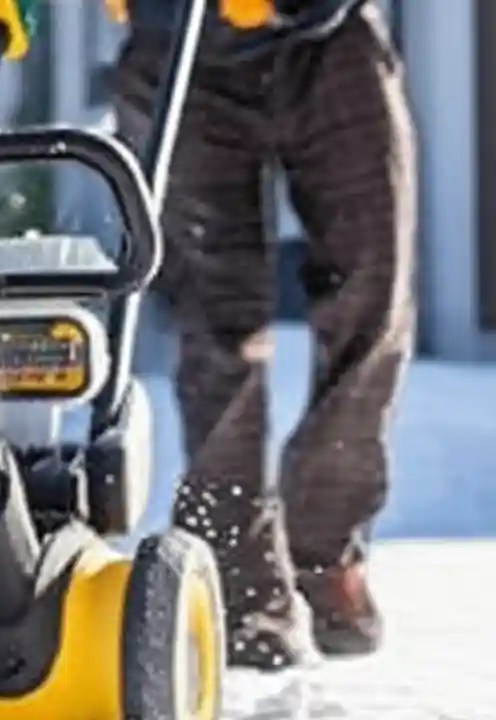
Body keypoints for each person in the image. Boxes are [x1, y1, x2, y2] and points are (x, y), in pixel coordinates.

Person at [102, 0, 417, 669]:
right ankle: (241, 587)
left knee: (373, 289)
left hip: (326, 42)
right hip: (177, 54)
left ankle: (324, 540)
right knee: (219, 330)